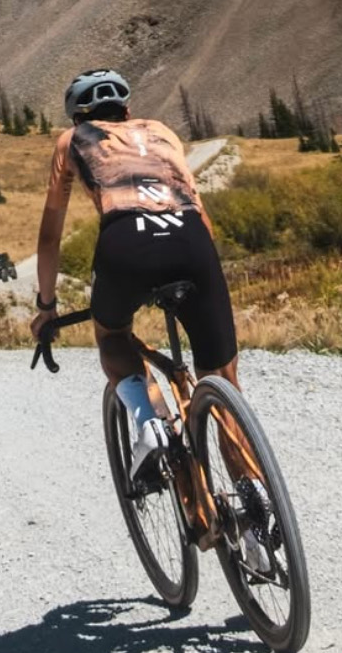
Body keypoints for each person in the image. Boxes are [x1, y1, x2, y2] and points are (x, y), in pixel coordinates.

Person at [30, 68, 264, 563]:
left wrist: (47, 306)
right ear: (128, 111)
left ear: (79, 114)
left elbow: (49, 236)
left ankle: (145, 418)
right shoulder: (162, 133)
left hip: (125, 243)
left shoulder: (72, 140)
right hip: (192, 243)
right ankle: (256, 504)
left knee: (112, 333)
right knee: (223, 379)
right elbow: (198, 210)